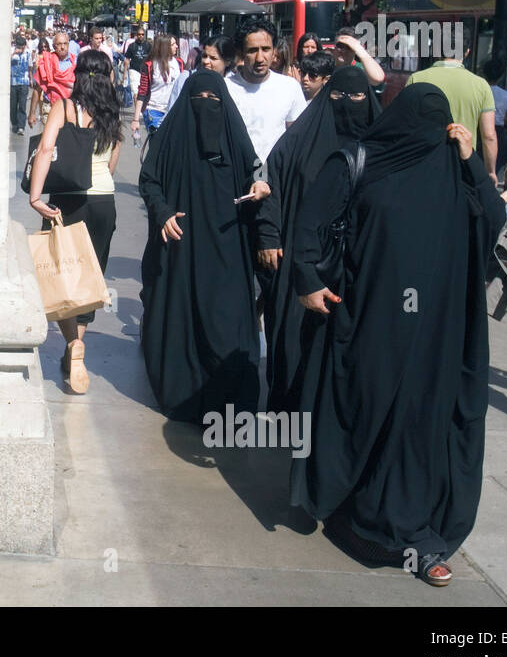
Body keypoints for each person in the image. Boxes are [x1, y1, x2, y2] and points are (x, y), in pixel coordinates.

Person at [290, 83, 506, 586]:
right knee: (367, 412)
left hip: (437, 332)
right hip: (369, 322)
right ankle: (353, 505)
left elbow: (491, 221)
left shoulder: (455, 169)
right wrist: (308, 280)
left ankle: (411, 533)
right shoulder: (360, 161)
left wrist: (473, 161)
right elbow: (311, 219)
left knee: (418, 423)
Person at [138, 69, 270, 422]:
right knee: (183, 317)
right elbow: (149, 180)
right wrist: (163, 212)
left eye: (214, 101)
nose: (206, 107)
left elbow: (256, 173)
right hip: (181, 245)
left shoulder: (234, 139)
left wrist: (260, 188)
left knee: (227, 321)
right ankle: (184, 395)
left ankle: (229, 402)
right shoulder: (172, 139)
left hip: (228, 244)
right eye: (199, 101)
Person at [256, 65, 378, 414]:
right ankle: (288, 410)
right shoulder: (299, 141)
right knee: (292, 335)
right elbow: (272, 183)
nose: (347, 104)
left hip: (353, 261)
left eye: (357, 97)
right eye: (338, 96)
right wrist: (268, 234)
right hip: (299, 255)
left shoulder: (376, 145)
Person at [28, 50, 122, 393]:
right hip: (104, 201)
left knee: (63, 272)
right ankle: (78, 345)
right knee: (90, 277)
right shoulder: (112, 112)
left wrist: (36, 197)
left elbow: (45, 150)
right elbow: (113, 157)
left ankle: (72, 344)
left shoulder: (65, 107)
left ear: (77, 75)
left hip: (69, 201)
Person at [224, 18, 308, 167]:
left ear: (274, 51)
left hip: (276, 175)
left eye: (266, 49)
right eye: (252, 50)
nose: (260, 58)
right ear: (241, 53)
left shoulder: (290, 87)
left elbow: (299, 137)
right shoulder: (225, 88)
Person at [406, 43, 497, 180]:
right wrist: (490, 172)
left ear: (437, 51)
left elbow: (406, 124)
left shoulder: (416, 79)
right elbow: (489, 136)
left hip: (423, 162)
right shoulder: (481, 85)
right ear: (467, 52)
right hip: (463, 165)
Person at [131, 33, 186, 137]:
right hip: (154, 109)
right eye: (173, 44)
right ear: (165, 47)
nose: (177, 46)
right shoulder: (150, 65)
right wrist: (136, 119)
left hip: (172, 109)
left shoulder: (179, 63)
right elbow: (142, 92)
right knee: (157, 140)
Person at [28, 31, 76, 129]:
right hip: (50, 106)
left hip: (70, 107)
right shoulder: (47, 62)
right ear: (54, 46)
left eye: (65, 44)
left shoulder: (75, 62)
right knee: (51, 141)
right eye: (59, 44)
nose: (63, 47)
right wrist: (32, 113)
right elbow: (37, 90)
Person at [10, 34, 32, 135]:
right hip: (13, 82)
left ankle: (21, 127)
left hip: (24, 82)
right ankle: (14, 123)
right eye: (20, 47)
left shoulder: (28, 53)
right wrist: (14, 53)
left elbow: (30, 66)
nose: (22, 49)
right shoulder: (11, 51)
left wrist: (31, 79)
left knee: (22, 105)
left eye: (23, 46)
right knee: (13, 105)